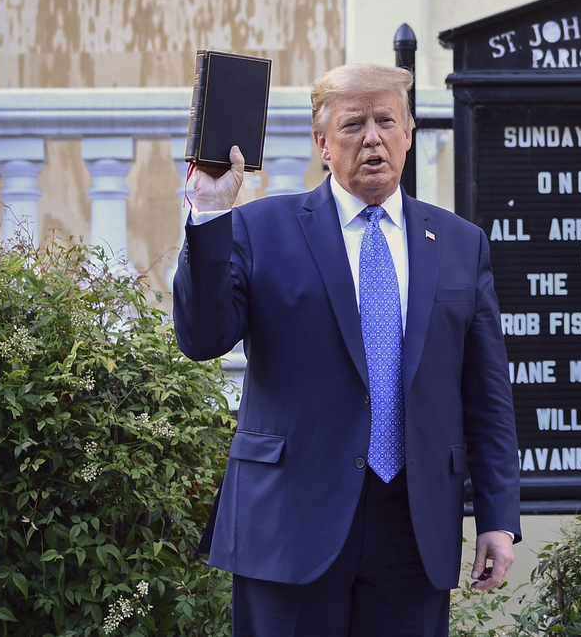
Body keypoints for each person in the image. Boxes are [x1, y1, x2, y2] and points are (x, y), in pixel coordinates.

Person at [173, 63, 520, 636]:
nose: (372, 138)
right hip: (290, 523)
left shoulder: (461, 243)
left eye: (386, 121)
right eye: (353, 124)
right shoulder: (260, 229)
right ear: (322, 143)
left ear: (408, 133)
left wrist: (497, 517)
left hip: (413, 526)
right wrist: (210, 213)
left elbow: (487, 396)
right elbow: (201, 338)